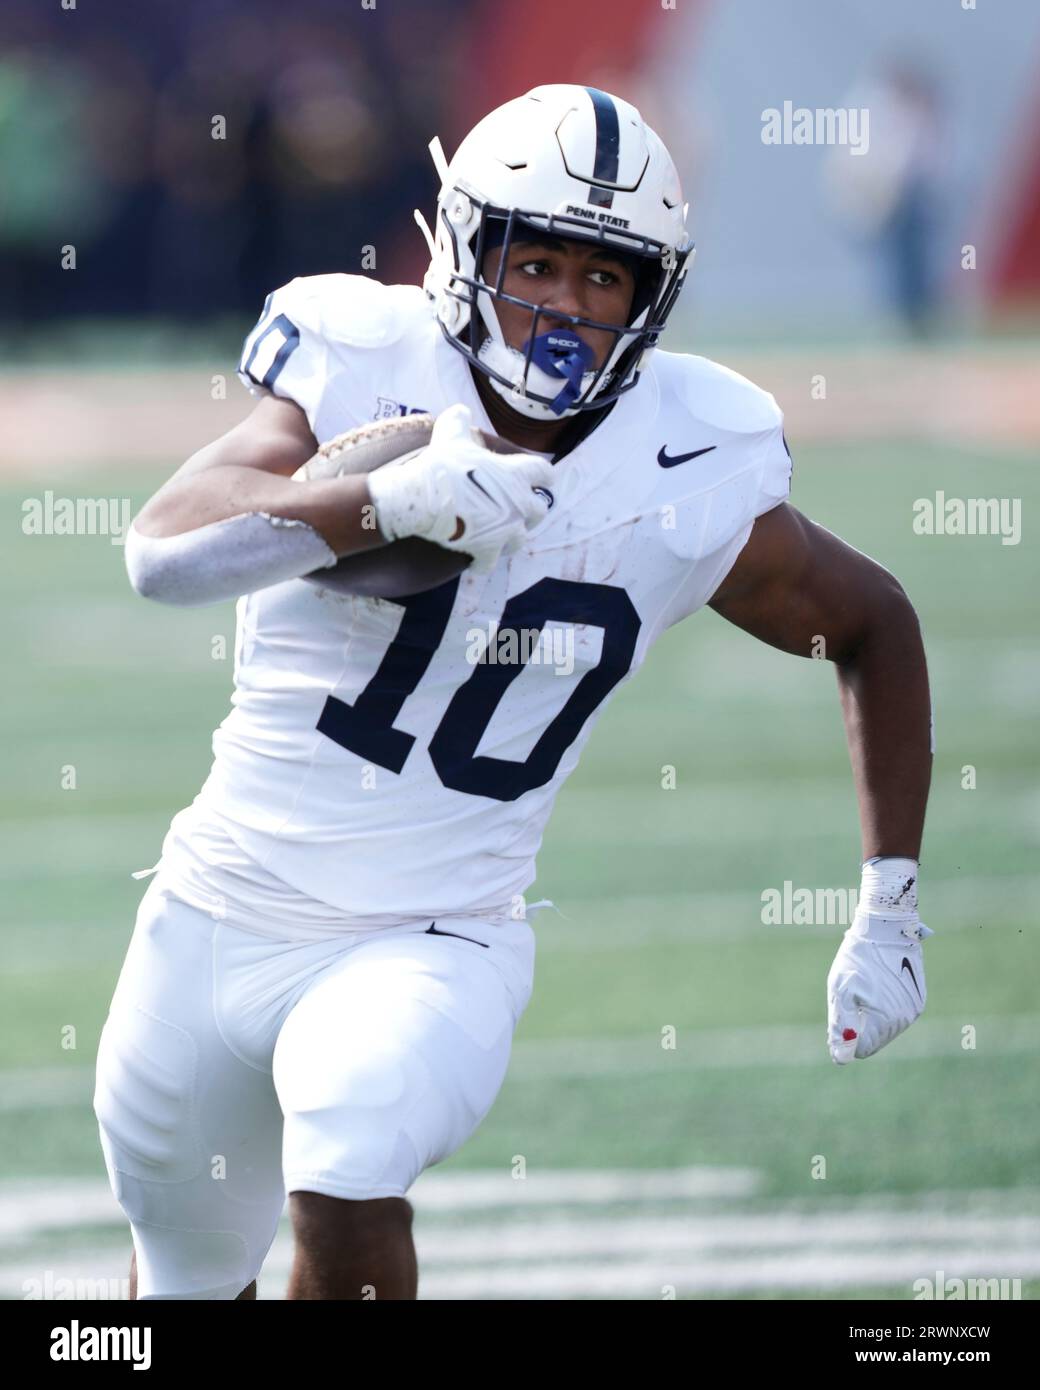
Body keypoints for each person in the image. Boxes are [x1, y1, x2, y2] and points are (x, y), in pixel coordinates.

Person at [94, 84, 933, 1301]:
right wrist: (377, 503)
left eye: (605, 280)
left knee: (354, 1120)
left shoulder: (684, 457)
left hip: (436, 934)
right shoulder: (359, 361)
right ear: (461, 248)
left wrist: (890, 904)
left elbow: (871, 620)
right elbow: (160, 552)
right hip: (215, 909)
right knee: (171, 1288)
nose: (566, 309)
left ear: (652, 296)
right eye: (535, 262)